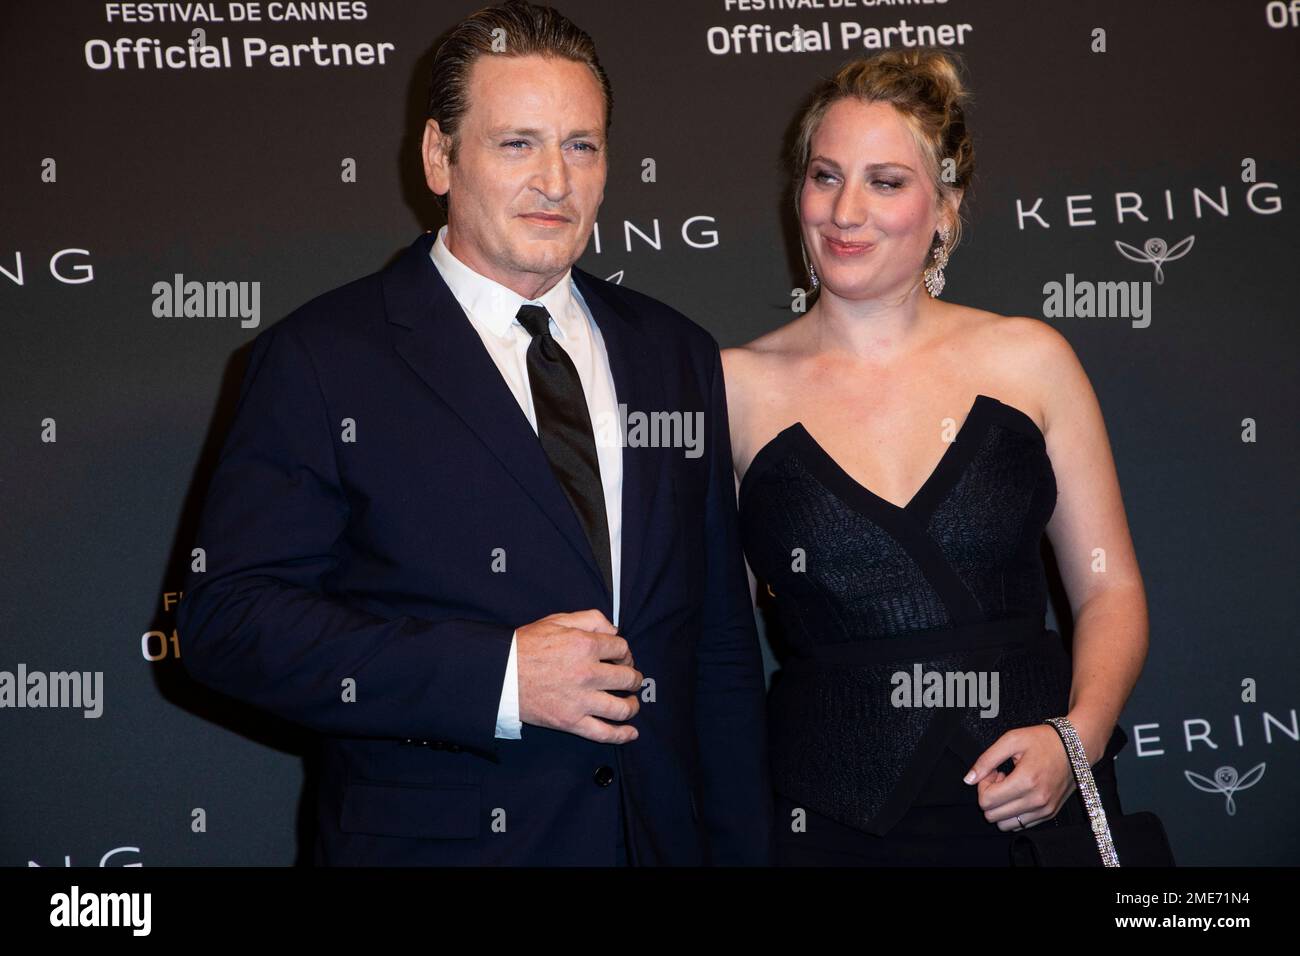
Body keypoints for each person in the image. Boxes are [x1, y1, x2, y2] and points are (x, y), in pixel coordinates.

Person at [178, 0, 772, 866]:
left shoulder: (673, 352)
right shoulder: (320, 359)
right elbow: (226, 623)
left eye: (581, 145)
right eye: (516, 143)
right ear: (438, 157)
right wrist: (496, 678)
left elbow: (716, 643)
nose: (555, 182)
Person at [722, 49, 1150, 865]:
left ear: (945, 206)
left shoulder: (1031, 360)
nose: (846, 211)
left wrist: (1079, 738)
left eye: (886, 181)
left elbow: (1110, 588)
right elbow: (716, 640)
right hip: (831, 825)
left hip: (1032, 811)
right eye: (825, 176)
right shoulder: (732, 388)